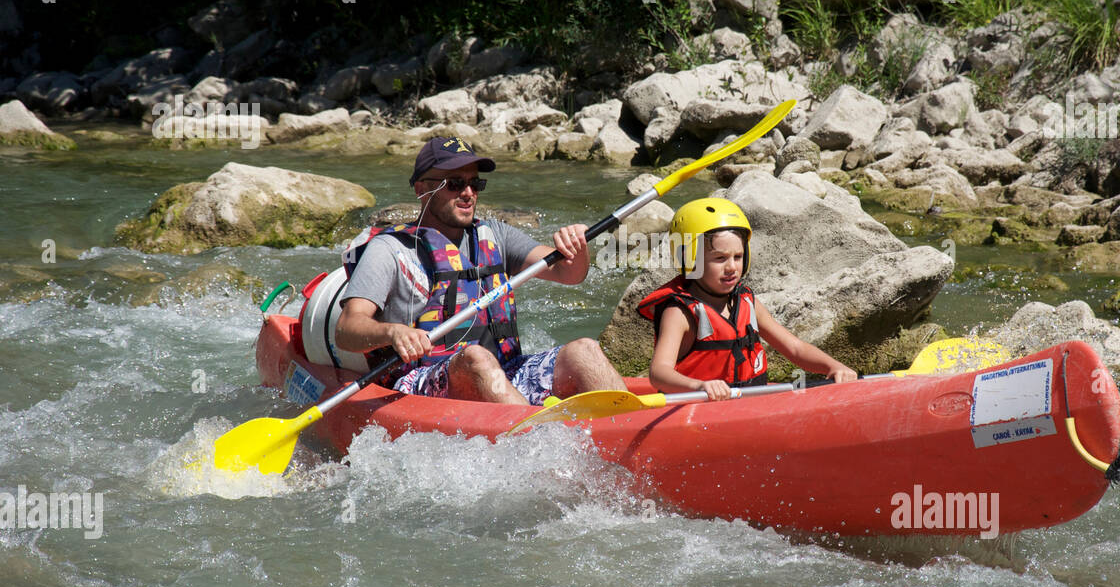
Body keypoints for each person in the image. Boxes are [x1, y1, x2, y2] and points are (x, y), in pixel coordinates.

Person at [335, 134, 625, 405]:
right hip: (422, 382)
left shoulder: (495, 235)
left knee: (584, 350)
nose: (469, 193)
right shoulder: (390, 250)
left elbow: (568, 273)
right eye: (455, 184)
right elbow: (347, 330)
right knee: (476, 357)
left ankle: (632, 433)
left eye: (476, 183)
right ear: (422, 189)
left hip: (504, 371)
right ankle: (539, 439)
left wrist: (576, 245)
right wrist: (392, 333)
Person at [637, 197, 857, 401]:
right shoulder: (679, 312)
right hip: (698, 407)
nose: (732, 267)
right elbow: (659, 373)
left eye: (738, 257)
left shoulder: (746, 301)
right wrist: (700, 386)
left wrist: (833, 366)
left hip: (748, 403)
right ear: (690, 258)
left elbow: (795, 348)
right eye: (719, 258)